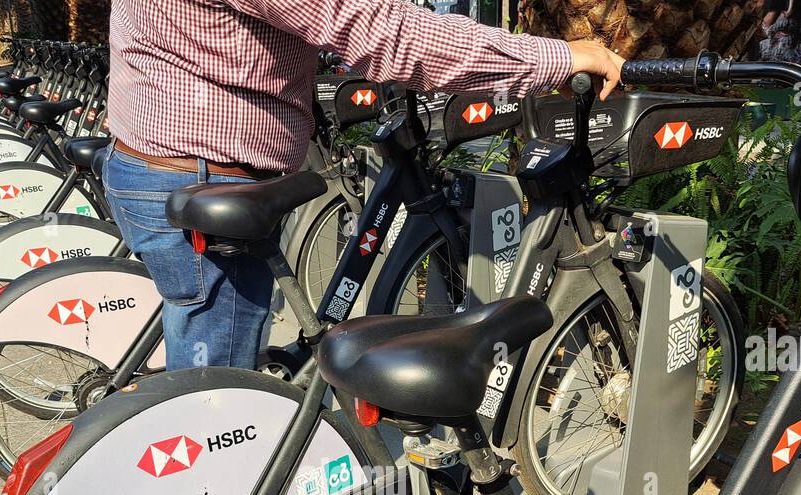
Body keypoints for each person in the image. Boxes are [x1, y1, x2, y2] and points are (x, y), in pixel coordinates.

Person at [106, 0, 626, 372]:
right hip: (203, 171)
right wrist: (554, 57)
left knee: (199, 331)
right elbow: (385, 34)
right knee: (214, 405)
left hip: (152, 159)